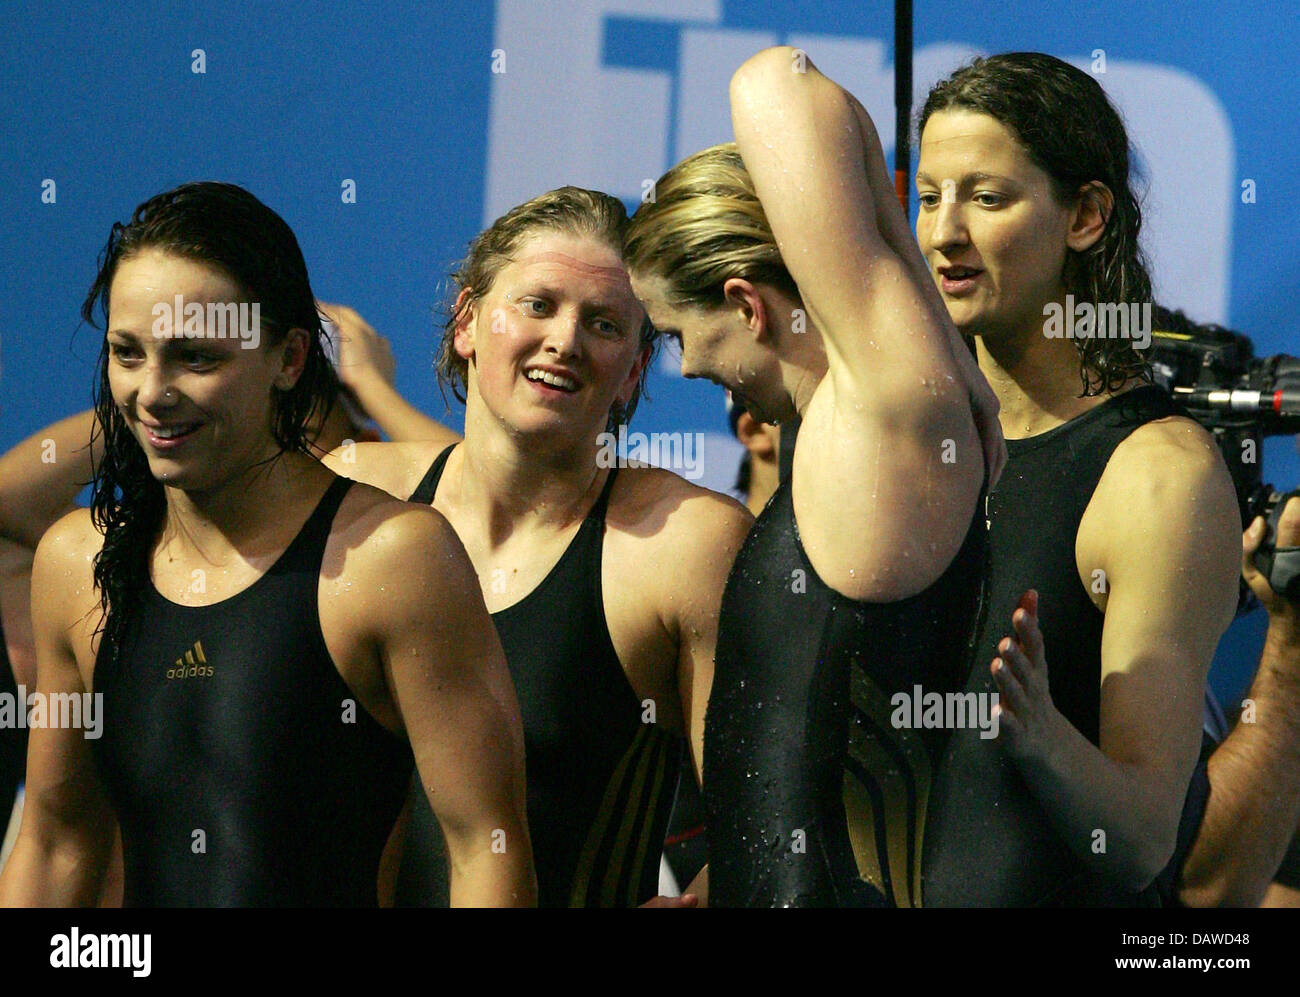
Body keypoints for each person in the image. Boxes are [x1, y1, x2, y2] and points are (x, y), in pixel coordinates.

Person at [0, 181, 534, 907]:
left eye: (194, 357)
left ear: (288, 360)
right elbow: (56, 842)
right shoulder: (77, 564)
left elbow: (486, 847)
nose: (152, 391)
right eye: (128, 353)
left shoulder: (392, 557)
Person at [625, 46, 1003, 907]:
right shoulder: (875, 418)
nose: (682, 371)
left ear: (747, 303)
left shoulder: (876, 417)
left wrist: (943, 352)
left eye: (679, 333)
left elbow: (773, 79)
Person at [322, 186, 752, 907]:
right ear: (467, 322)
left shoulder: (684, 544)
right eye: (538, 304)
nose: (565, 340)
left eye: (606, 323)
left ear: (635, 373)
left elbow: (762, 825)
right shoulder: (348, 498)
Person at [912, 52, 1241, 904]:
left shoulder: (1158, 476)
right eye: (927, 196)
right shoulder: (918, 442)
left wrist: (1039, 732)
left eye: (986, 198)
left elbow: (1138, 840)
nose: (945, 231)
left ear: (1087, 215)